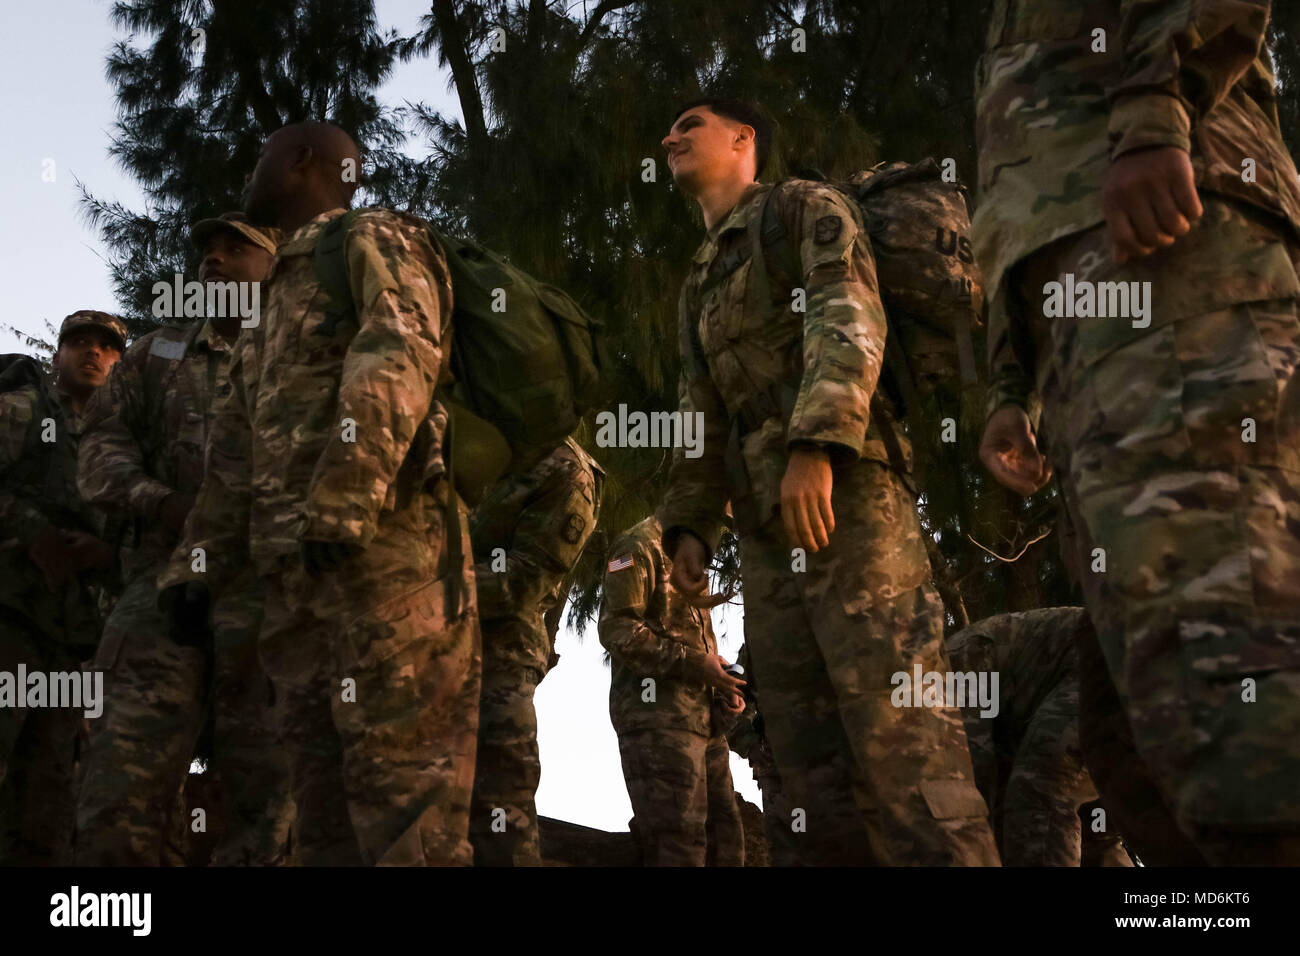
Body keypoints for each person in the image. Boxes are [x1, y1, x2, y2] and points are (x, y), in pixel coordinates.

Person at [975, 1, 1300, 864]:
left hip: (1175, 256)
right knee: (1142, 740)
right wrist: (1014, 384)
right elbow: (1019, 199)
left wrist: (1156, 113)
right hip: (1081, 326)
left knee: (1242, 691)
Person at [660, 97, 998, 865]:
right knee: (809, 762)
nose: (670, 137)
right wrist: (689, 526)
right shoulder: (700, 276)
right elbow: (699, 406)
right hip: (766, 526)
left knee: (903, 738)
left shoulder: (802, 209)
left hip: (849, 497)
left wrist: (817, 445)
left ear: (744, 139)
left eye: (691, 126)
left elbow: (849, 315)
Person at [159, 121, 479, 866]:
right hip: (296, 599)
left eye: (262, 152)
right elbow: (233, 461)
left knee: (411, 827)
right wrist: (194, 571)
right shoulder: (268, 307)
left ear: (302, 159)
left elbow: (400, 348)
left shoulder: (373, 236)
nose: (252, 167)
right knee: (323, 829)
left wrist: (344, 498)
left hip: (387, 573)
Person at [0, 310, 124, 864]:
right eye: (78, 342)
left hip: (74, 646)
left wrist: (106, 555)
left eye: (105, 346)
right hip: (10, 618)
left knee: (49, 800)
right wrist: (32, 532)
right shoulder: (24, 410)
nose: (91, 353)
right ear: (58, 354)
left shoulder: (121, 446)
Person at [468, 436, 603, 866]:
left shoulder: (565, 468)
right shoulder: (460, 434)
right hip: (422, 652)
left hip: (499, 660)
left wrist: (429, 586)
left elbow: (524, 579)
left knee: (500, 810)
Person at [600, 513, 745, 866]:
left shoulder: (691, 553)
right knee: (678, 849)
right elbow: (617, 630)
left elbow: (686, 636)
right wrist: (694, 664)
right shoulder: (635, 547)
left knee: (726, 845)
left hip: (704, 723)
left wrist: (720, 678)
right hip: (657, 724)